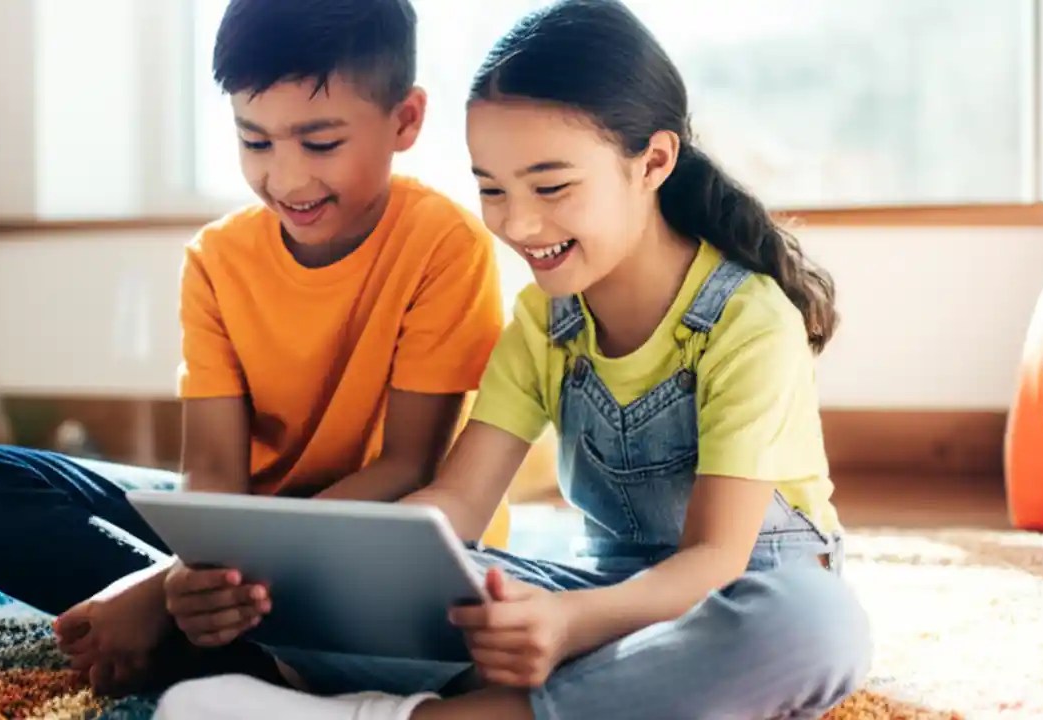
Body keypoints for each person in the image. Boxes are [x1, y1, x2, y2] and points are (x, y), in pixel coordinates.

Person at [154, 1, 872, 718]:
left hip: (732, 597)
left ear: (652, 161)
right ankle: (593, 697)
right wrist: (315, 570)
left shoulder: (748, 322)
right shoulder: (542, 321)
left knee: (816, 628)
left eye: (551, 186)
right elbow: (458, 502)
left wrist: (567, 627)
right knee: (364, 592)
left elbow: (715, 563)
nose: (517, 224)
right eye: (491, 189)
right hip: (593, 611)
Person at [0, 0, 504, 697]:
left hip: (374, 545)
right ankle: (252, 658)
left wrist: (158, 588)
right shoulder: (216, 258)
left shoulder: (444, 246)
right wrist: (189, 569)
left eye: (321, 143)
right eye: (255, 141)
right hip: (238, 542)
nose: (287, 180)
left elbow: (408, 467)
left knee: (429, 623)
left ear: (405, 121)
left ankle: (216, 648)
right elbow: (210, 474)